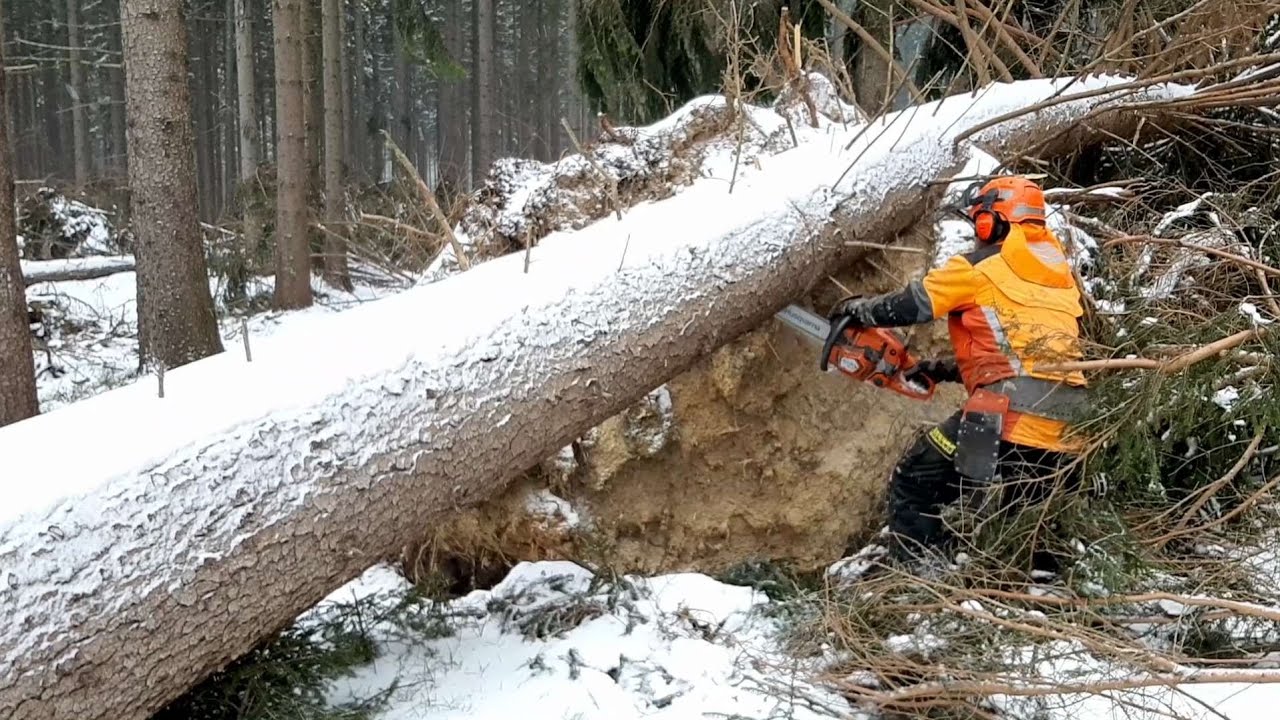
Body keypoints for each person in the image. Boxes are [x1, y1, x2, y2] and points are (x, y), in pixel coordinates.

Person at [829, 175, 1088, 574]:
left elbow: (916, 303)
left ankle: (926, 577)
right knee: (1028, 525)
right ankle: (1038, 602)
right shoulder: (1058, 278)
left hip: (1008, 415)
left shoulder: (978, 267)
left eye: (978, 221)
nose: (976, 231)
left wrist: (862, 311)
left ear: (991, 221)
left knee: (915, 481)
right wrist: (942, 370)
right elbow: (1022, 354)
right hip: (1069, 425)